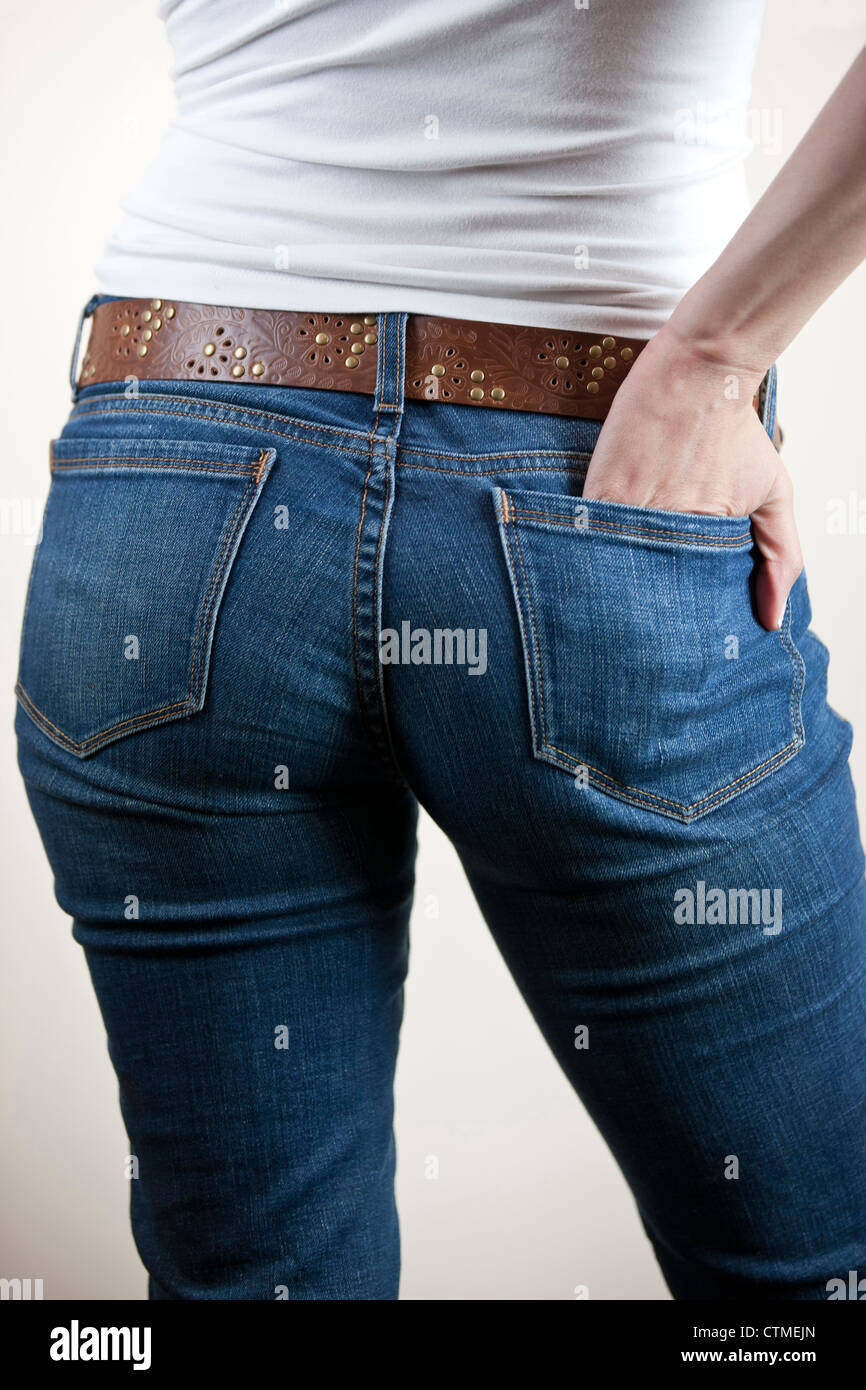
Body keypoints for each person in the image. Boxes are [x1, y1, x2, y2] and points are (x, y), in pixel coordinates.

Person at [14, 0, 866, 1300]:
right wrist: (711, 360)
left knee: (255, 1279)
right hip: (594, 486)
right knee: (811, 1275)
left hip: (174, 470)